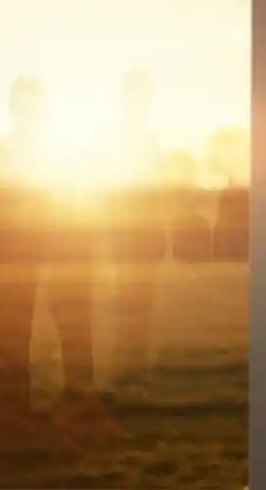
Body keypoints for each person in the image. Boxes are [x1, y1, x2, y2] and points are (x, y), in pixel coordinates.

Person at [0, 76, 56, 410]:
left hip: (33, 243)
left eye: (30, 104)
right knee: (13, 315)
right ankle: (14, 385)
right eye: (22, 104)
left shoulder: (46, 148)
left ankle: (16, 386)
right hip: (14, 243)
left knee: (17, 314)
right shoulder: (10, 148)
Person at [109, 67, 167, 384]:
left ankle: (134, 361)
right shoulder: (134, 139)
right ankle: (131, 361)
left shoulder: (146, 140)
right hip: (131, 232)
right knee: (131, 299)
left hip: (140, 233)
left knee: (138, 299)